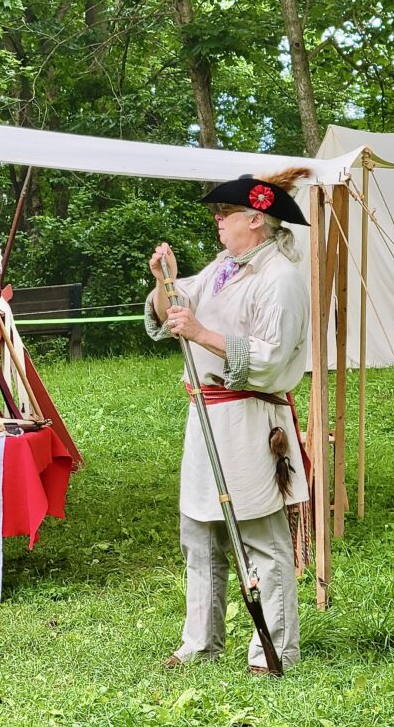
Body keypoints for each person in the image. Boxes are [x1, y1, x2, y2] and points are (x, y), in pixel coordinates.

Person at [146, 168, 311, 675]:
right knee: (199, 532)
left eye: (226, 213)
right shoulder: (225, 265)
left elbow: (270, 358)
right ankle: (201, 642)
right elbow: (178, 306)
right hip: (207, 416)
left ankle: (273, 649)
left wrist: (201, 333)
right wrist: (164, 282)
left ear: (257, 220)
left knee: (261, 535)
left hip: (251, 415)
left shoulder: (279, 277)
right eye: (217, 213)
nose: (217, 221)